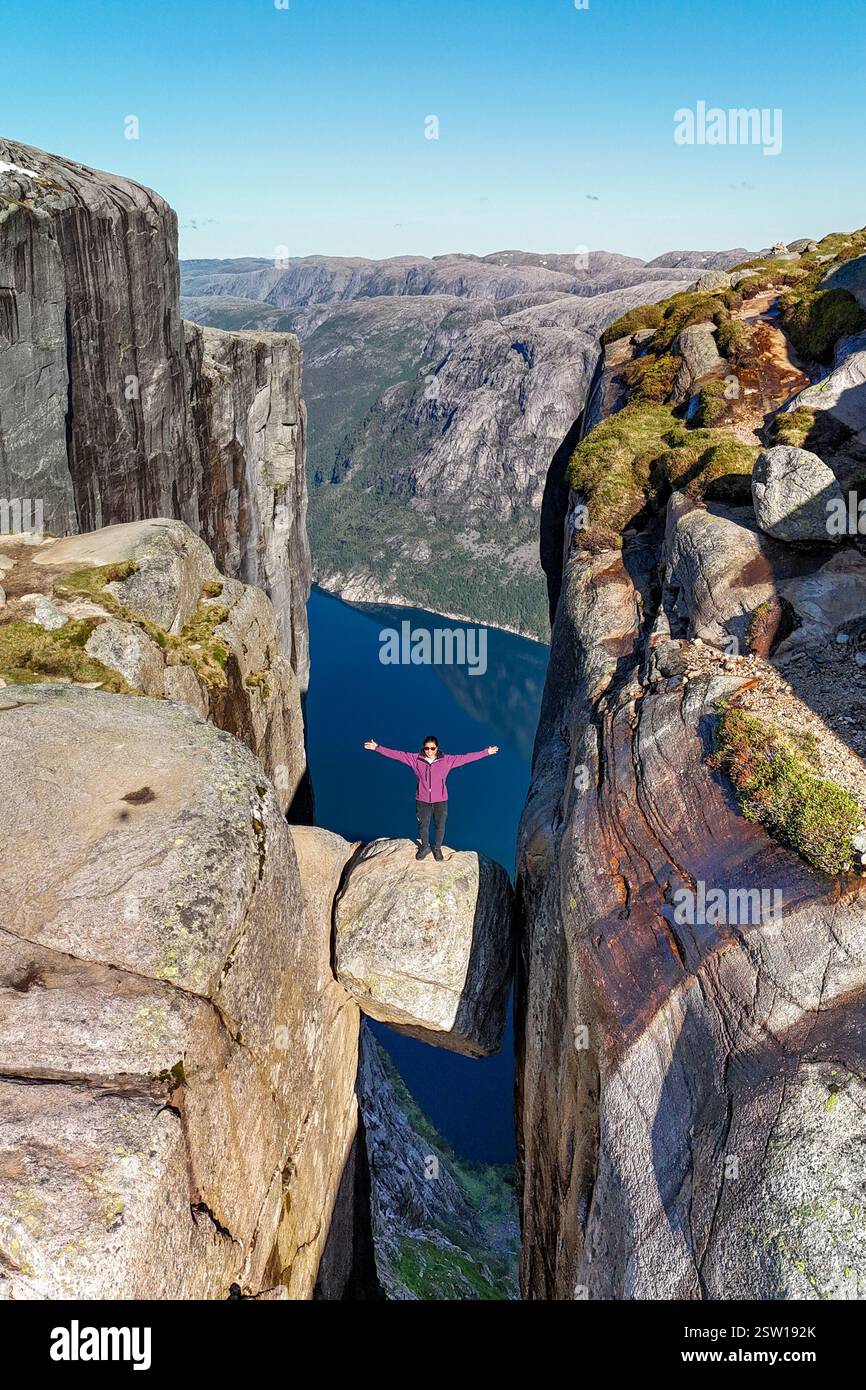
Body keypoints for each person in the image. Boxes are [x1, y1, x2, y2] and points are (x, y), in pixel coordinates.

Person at [364, 735, 498, 860]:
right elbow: (397, 755)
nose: (429, 751)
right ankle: (425, 847)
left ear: (437, 748)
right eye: (427, 748)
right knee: (423, 826)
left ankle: (437, 848)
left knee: (440, 826)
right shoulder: (415, 759)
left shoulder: (447, 760)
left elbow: (467, 757)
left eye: (432, 748)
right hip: (422, 799)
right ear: (423, 748)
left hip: (440, 800)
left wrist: (486, 752)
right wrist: (377, 748)